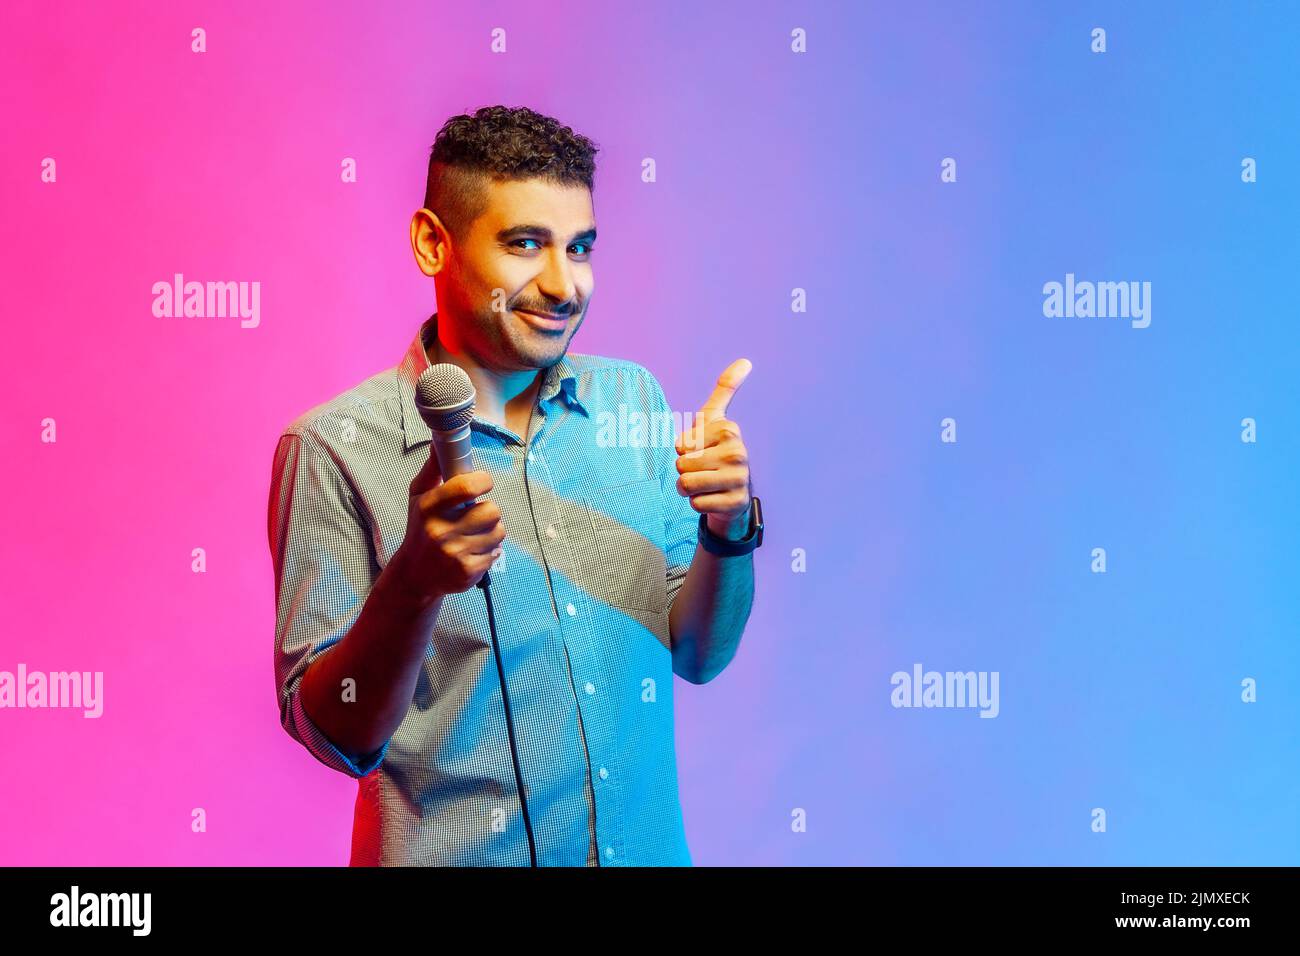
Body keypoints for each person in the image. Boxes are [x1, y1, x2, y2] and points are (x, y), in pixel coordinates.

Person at [267, 105, 762, 866]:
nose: (565, 286)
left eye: (582, 248)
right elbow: (334, 733)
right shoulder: (335, 448)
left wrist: (727, 531)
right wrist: (414, 584)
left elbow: (696, 653)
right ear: (435, 243)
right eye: (526, 244)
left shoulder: (633, 403)